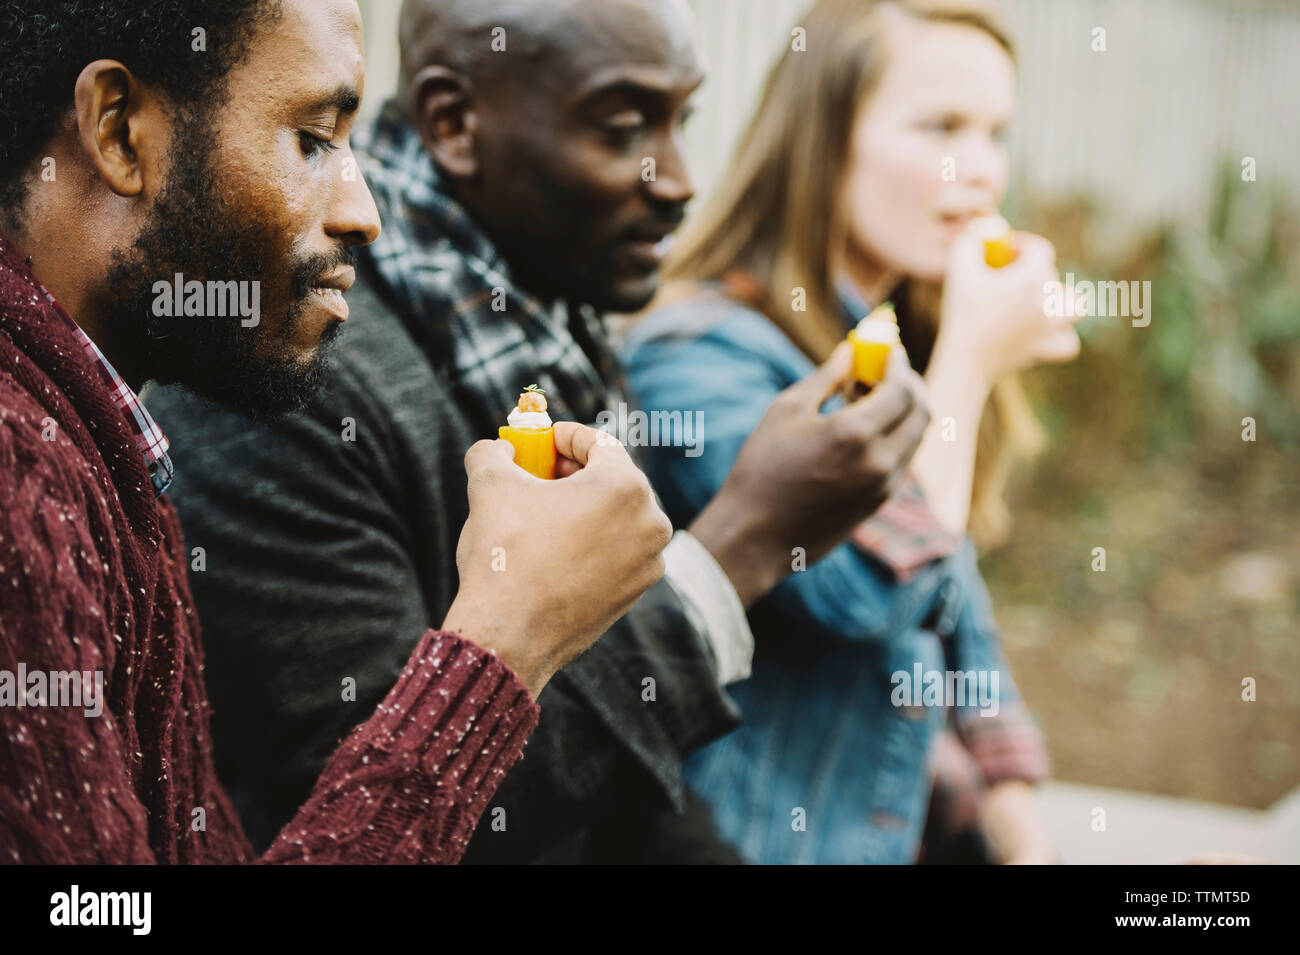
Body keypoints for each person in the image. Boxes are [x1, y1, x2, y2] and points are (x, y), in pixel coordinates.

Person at [147, 0, 932, 862]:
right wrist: (745, 542)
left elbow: (629, 798)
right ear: (455, 122)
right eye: (626, 127)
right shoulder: (284, 381)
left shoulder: (556, 337)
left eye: (682, 123)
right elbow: (405, 831)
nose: (676, 179)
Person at [0, 0, 674, 864]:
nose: (364, 211)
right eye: (315, 138)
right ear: (122, 133)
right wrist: (502, 642)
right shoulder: (20, 472)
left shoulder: (103, 445)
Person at [623, 0, 1083, 864]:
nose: (981, 171)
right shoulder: (698, 354)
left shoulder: (897, 336)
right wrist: (974, 362)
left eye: (995, 133)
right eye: (942, 126)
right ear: (824, 137)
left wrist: (1024, 831)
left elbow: (954, 600)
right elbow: (861, 592)